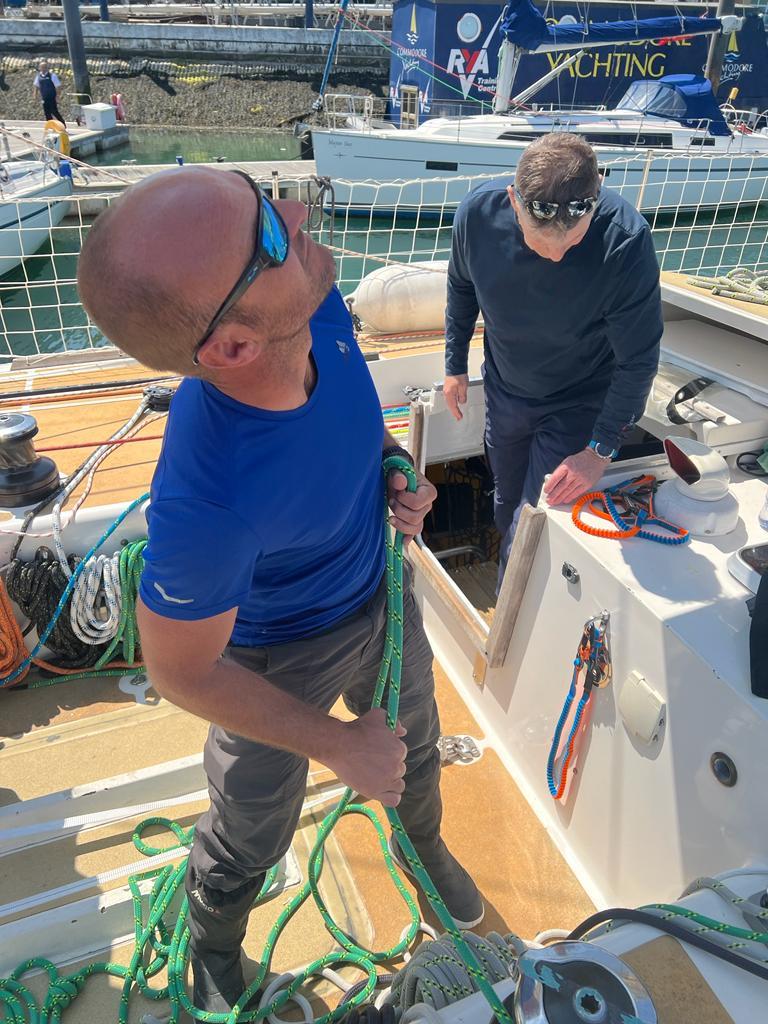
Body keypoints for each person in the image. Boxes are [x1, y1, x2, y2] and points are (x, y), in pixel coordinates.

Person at [76, 167, 484, 1014]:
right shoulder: (208, 498)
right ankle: (215, 944)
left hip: (377, 591)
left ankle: (426, 846)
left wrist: (391, 466)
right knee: (251, 825)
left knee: (414, 744)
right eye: (269, 232)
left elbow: (351, 413)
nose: (296, 213)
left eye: (264, 195)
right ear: (231, 348)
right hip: (268, 658)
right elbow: (182, 670)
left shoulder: (308, 298)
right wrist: (333, 746)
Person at [444, 133, 662, 584]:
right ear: (513, 203)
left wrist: (600, 449)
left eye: (573, 242)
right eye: (542, 245)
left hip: (577, 399)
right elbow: (462, 286)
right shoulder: (476, 217)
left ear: (594, 204)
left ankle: (508, 611)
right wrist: (454, 364)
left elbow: (637, 361)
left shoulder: (626, 241)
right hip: (506, 388)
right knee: (505, 499)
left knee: (536, 512)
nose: (558, 254)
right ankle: (514, 579)